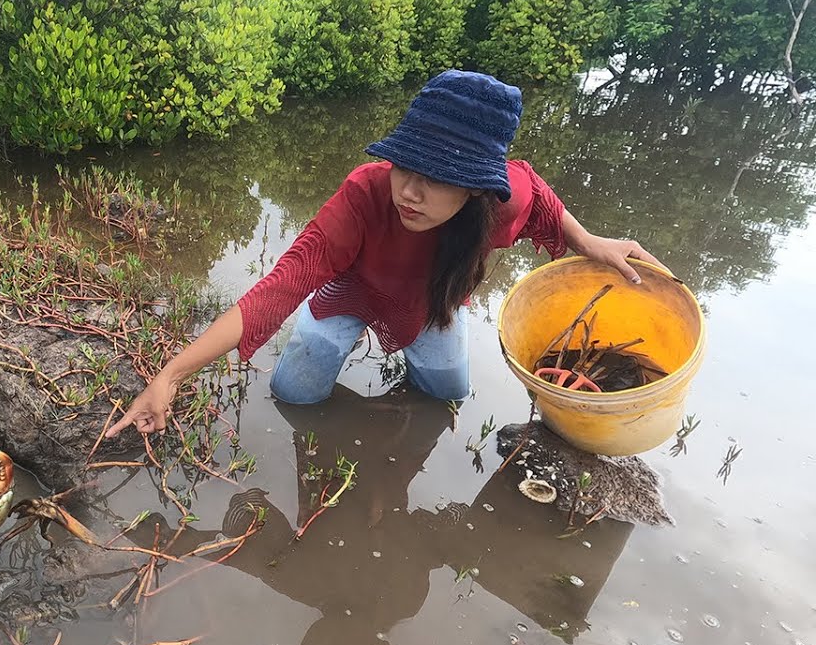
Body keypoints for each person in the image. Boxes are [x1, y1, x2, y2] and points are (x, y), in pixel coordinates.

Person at [104, 70, 669, 438]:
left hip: (432, 302)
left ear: (475, 187)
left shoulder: (501, 198)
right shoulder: (365, 194)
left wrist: (590, 242)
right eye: (405, 166)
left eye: (436, 179)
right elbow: (281, 284)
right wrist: (172, 374)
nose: (409, 192)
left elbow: (541, 200)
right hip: (351, 291)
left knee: (446, 397)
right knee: (294, 395)